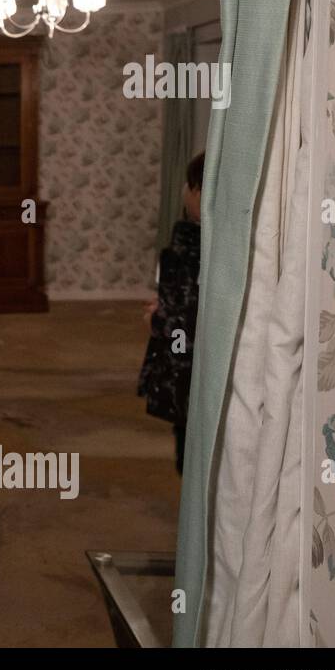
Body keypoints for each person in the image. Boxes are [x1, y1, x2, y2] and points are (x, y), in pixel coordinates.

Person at [138, 151, 204, 475]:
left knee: (189, 452)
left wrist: (158, 320)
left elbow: (186, 322)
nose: (183, 192)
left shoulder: (192, 247)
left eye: (189, 186)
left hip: (186, 374)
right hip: (189, 375)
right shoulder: (194, 240)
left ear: (201, 192)